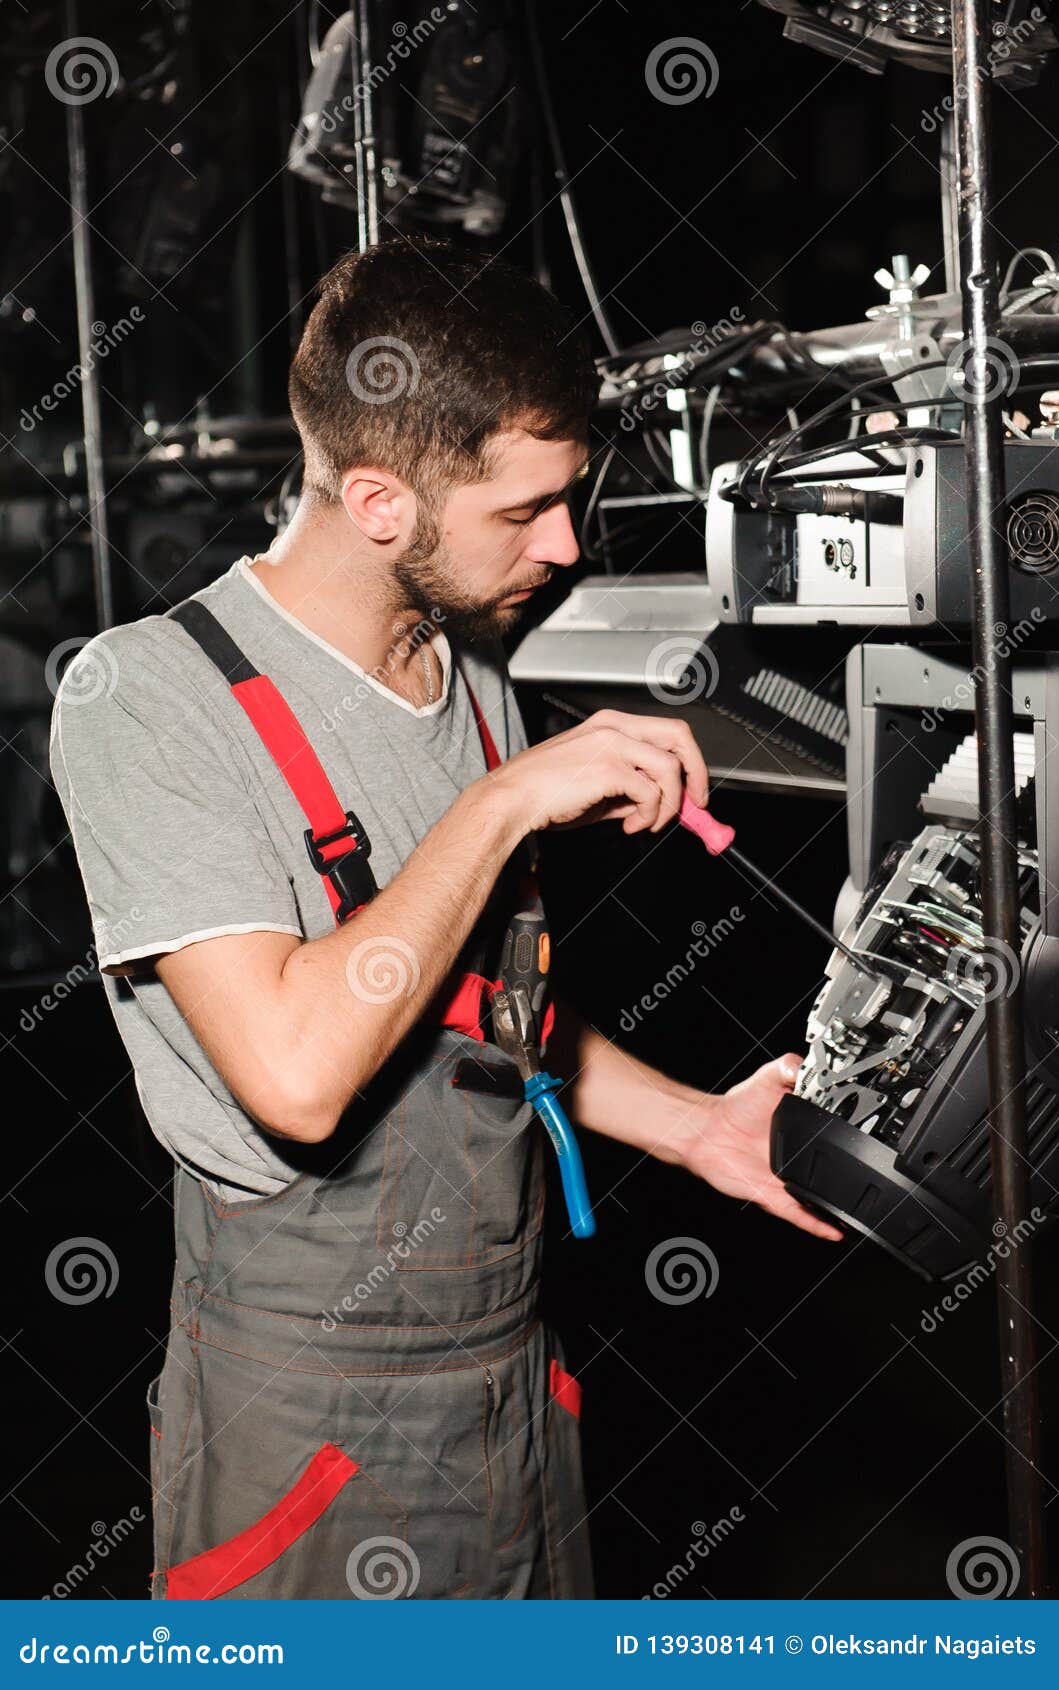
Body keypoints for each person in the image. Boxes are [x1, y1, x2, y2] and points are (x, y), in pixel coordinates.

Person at [50, 235, 840, 1602]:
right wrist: (502, 805)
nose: (564, 546)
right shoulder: (148, 698)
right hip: (309, 1409)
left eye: (568, 500)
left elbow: (490, 1020)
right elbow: (297, 1078)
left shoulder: (471, 672)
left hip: (511, 1378)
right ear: (377, 500)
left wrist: (696, 1125)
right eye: (522, 511)